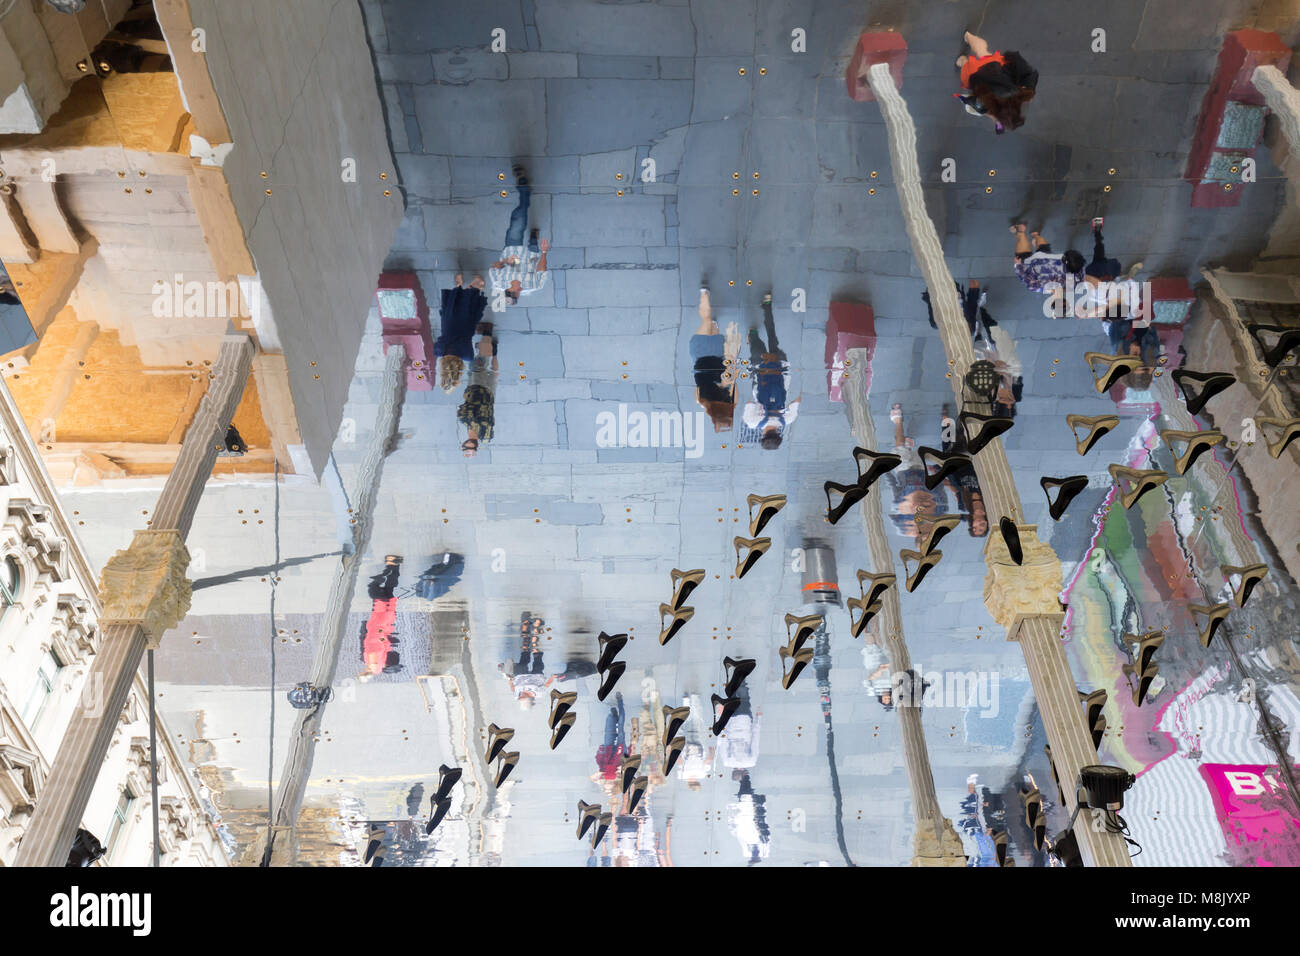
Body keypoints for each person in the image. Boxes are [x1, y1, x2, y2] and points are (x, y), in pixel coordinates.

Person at [742, 293, 800, 449]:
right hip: (760, 371)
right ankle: (753, 335)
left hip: (781, 370)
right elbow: (748, 403)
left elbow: (797, 400)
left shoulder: (787, 419)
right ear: (762, 436)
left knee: (772, 338)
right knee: (756, 345)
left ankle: (767, 305)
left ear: (779, 435)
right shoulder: (753, 422)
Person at [885, 402, 950, 538]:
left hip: (903, 469)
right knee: (915, 452)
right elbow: (940, 488)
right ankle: (907, 446)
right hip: (920, 470)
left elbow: (894, 489)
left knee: (900, 446)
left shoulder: (905, 517)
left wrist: (886, 471)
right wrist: (936, 473)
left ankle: (897, 420)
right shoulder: (937, 511)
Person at [488, 164, 550, 306]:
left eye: (516, 293)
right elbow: (541, 270)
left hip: (512, 250)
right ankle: (533, 238)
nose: (520, 292)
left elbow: (495, 267)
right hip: (531, 256)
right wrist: (544, 252)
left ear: (508, 289)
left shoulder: (498, 282)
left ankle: (523, 189)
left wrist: (504, 262)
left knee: (518, 219)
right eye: (518, 295)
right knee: (533, 245)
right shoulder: (533, 285)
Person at [954, 31, 1038, 133]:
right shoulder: (987, 104)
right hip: (976, 73)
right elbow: (973, 102)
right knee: (965, 66)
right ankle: (963, 61)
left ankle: (969, 36)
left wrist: (1029, 88)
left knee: (982, 51)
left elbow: (1030, 73)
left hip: (996, 67)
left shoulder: (1020, 94)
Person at [690, 287, 738, 431]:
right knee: (705, 320)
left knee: (712, 328)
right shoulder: (701, 401)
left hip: (718, 355)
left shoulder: (731, 401)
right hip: (700, 356)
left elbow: (734, 381)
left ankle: (714, 325)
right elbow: (696, 387)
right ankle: (704, 294)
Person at [1010, 224, 1085, 314]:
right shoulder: (1038, 287)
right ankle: (1021, 232)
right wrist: (1018, 265)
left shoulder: (1073, 285)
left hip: (1055, 259)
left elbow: (1080, 268)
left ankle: (1035, 235)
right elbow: (1024, 277)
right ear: (1051, 302)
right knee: (1022, 255)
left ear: (1067, 301)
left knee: (1043, 249)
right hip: (1033, 262)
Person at [939, 404, 989, 537]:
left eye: (975, 528)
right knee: (966, 440)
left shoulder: (964, 506)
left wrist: (941, 475)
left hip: (957, 468)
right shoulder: (989, 503)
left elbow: (954, 490)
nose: (978, 525)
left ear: (971, 524)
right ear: (986, 522)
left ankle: (945, 419)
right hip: (972, 463)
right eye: (981, 527)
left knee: (948, 445)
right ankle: (965, 419)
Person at [436, 273, 487, 393]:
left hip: (466, 326)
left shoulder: (467, 356)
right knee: (452, 307)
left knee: (468, 308)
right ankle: (458, 285)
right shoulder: (438, 352)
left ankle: (474, 286)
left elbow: (466, 341)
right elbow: (440, 340)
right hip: (449, 324)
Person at [359, 555, 403, 679]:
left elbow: (377, 638)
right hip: (383, 620)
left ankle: (392, 566)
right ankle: (391, 566)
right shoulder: (380, 656)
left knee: (385, 593)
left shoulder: (381, 655)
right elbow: (379, 639)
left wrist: (370, 670)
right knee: (381, 591)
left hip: (383, 620)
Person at [501, 612, 553, 708]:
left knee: (525, 651)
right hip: (536, 676)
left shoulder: (516, 696)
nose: (520, 696)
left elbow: (512, 688)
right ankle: (535, 629)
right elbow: (546, 685)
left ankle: (526, 624)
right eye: (522, 697)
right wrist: (553, 677)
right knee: (535, 653)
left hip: (521, 675)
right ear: (528, 698)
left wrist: (510, 680)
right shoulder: (539, 693)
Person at [457, 333, 497, 456]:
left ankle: (493, 350)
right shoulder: (466, 420)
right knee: (478, 367)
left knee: (494, 373)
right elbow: (466, 406)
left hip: (490, 396)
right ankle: (486, 338)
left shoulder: (487, 436)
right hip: (477, 390)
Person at [923, 279, 996, 343]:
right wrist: (974, 291)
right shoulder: (971, 329)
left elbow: (933, 306)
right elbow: (972, 310)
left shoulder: (937, 323)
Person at [727, 770, 772, 865]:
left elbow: (762, 822)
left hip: (747, 808)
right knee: (745, 792)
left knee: (745, 792)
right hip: (748, 808)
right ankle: (744, 775)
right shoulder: (754, 839)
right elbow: (761, 822)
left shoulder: (754, 839)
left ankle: (744, 776)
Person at [591, 692, 627, 785]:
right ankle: (619, 703)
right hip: (619, 749)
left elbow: (598, 757)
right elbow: (598, 757)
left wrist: (601, 750)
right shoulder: (606, 767)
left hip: (612, 748)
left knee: (619, 726)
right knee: (620, 727)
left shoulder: (603, 767)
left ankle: (615, 712)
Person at [861, 638, 893, 709]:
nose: (887, 697)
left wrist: (879, 671)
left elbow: (866, 681)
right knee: (881, 637)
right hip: (884, 657)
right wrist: (888, 666)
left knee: (869, 638)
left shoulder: (873, 691)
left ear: (882, 699)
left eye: (885, 699)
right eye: (889, 699)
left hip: (872, 661)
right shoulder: (893, 685)